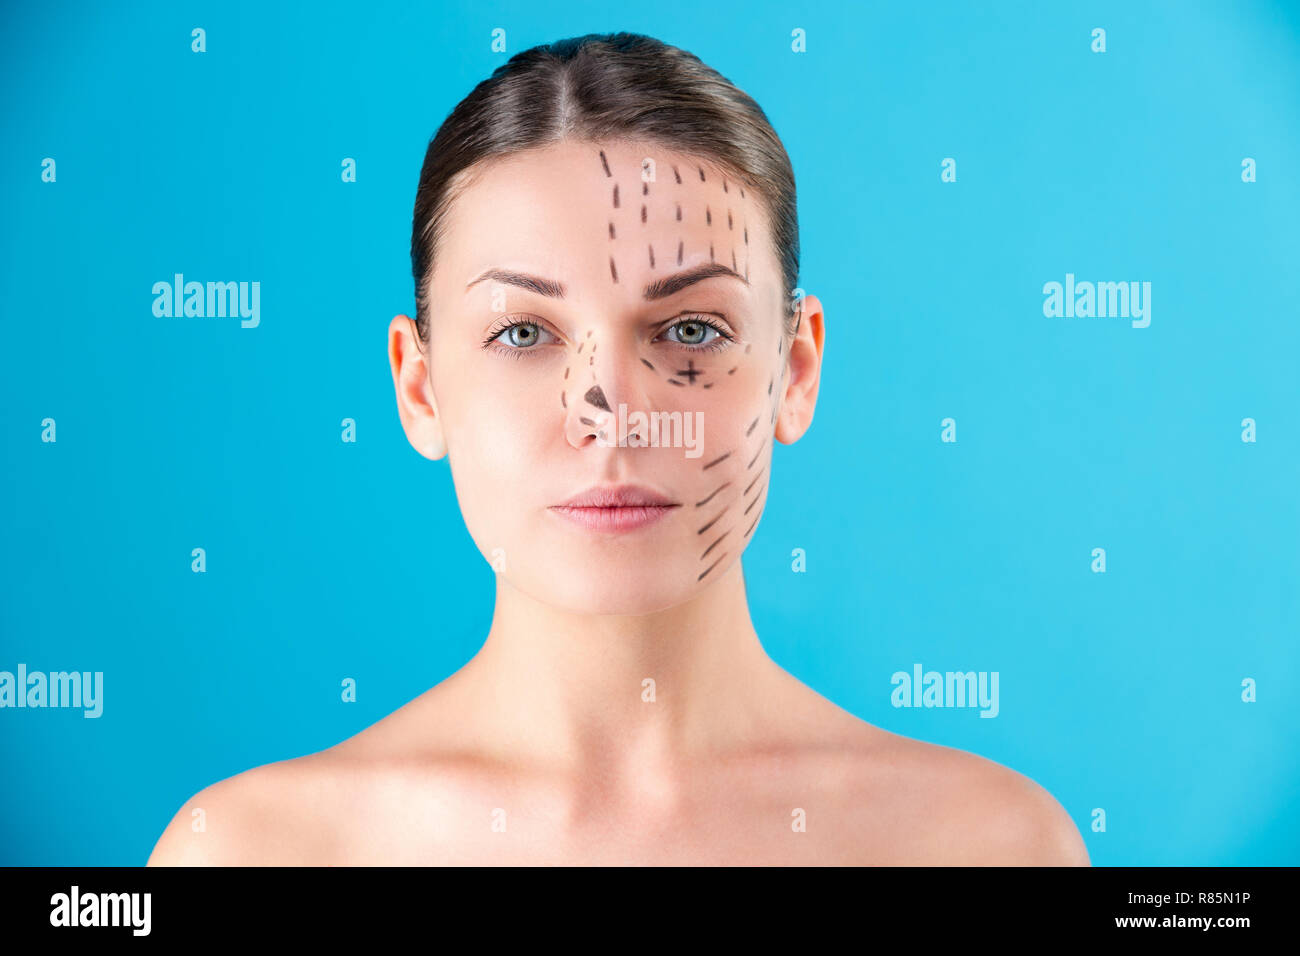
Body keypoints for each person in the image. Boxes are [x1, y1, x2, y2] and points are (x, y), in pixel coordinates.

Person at [148, 31, 1089, 866]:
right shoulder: (251, 853)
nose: (612, 413)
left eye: (689, 331)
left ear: (793, 371)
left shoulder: (988, 847)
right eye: (524, 333)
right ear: (419, 385)